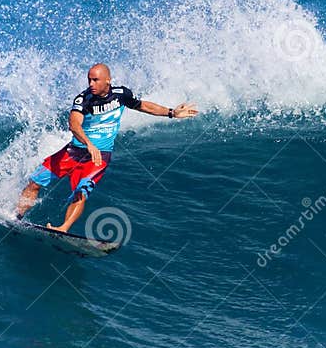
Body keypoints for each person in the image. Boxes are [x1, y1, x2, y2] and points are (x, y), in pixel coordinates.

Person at [14, 63, 198, 232]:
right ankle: (17, 218)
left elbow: (143, 106)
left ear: (107, 80)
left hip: (98, 157)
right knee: (35, 182)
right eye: (89, 80)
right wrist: (88, 144)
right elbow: (74, 125)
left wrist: (172, 113)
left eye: (95, 80)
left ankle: (63, 228)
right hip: (73, 152)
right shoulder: (83, 100)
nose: (91, 84)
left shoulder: (121, 94)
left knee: (81, 192)